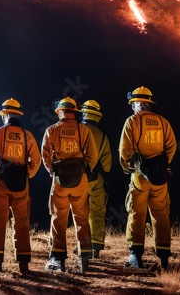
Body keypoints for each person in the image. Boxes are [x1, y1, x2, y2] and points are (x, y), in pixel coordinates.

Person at [118, 86, 177, 269]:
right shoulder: (163, 122)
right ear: (149, 104)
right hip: (160, 178)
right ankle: (164, 257)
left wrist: (128, 167)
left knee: (137, 214)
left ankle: (135, 256)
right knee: (161, 215)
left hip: (140, 177)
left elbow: (125, 151)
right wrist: (162, 166)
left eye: (133, 104)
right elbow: (171, 147)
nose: (133, 107)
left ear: (137, 104)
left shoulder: (132, 122)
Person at [0, 98, 41, 274]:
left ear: (5, 115)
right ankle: (23, 264)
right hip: (22, 186)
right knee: (22, 223)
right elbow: (36, 161)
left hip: (1, 184)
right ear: (17, 114)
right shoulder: (27, 135)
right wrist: (26, 175)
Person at [41, 97, 98, 274]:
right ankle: (85, 257)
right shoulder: (84, 130)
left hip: (60, 181)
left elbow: (45, 156)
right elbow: (93, 155)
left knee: (58, 219)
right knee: (82, 218)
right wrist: (84, 170)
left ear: (60, 112)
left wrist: (53, 171)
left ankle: (58, 258)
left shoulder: (52, 130)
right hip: (80, 179)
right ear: (75, 112)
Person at [81, 99, 113, 258]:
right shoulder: (103, 136)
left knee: (76, 214)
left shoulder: (76, 130)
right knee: (97, 213)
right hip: (94, 180)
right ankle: (96, 248)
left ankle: (81, 247)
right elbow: (107, 166)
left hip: (73, 181)